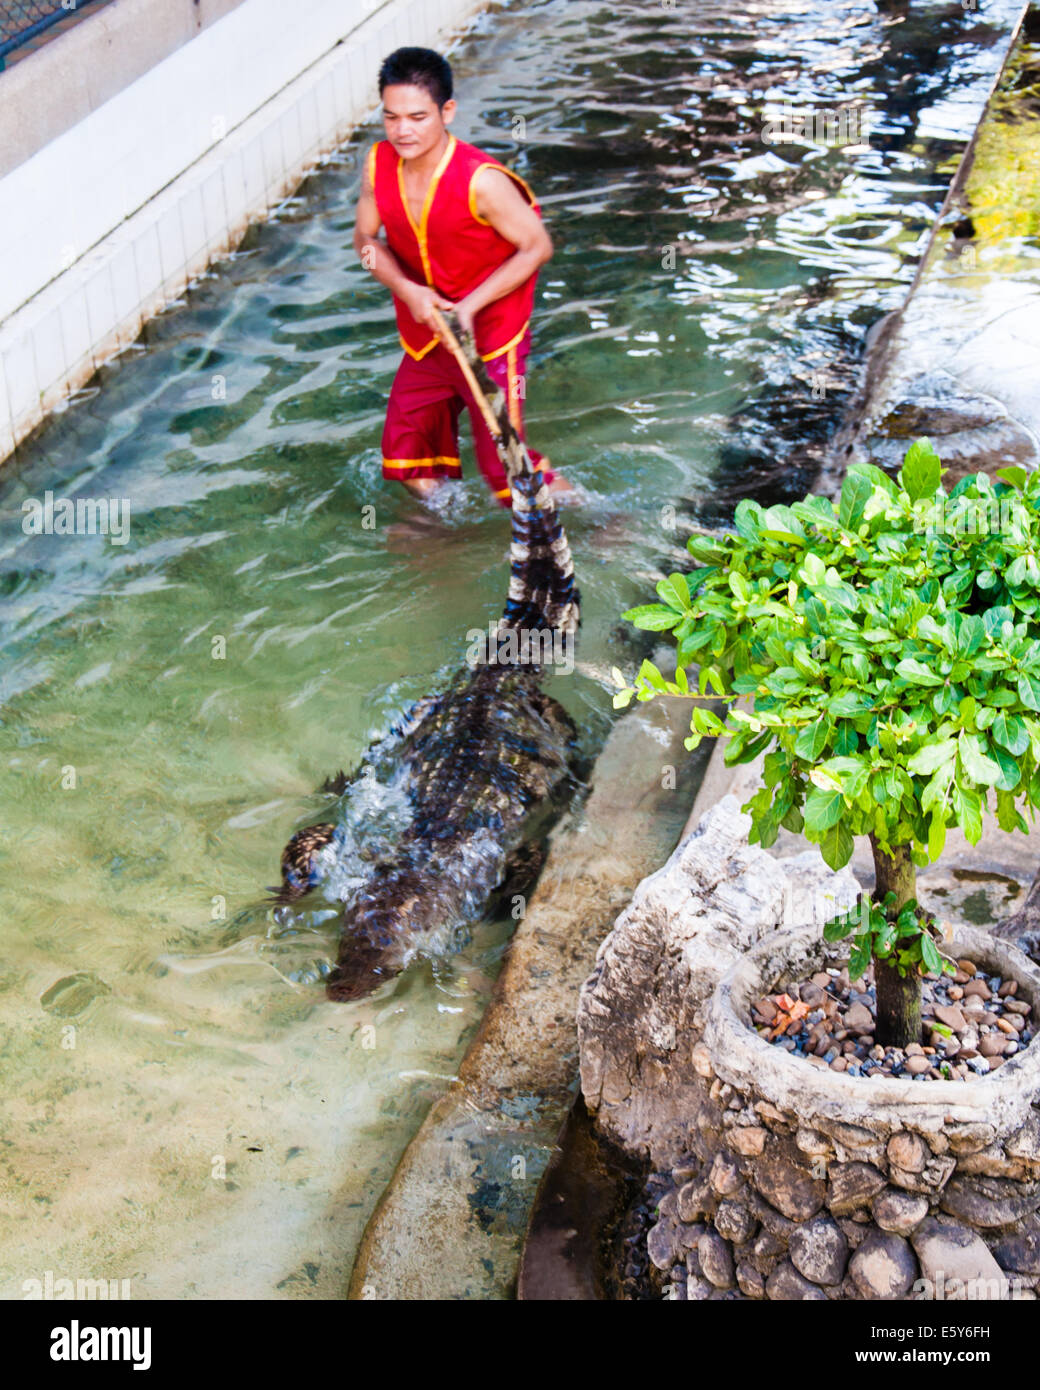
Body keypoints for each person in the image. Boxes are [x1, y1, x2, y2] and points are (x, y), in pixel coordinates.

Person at [354, 47, 571, 507]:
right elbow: (365, 243)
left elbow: (538, 247)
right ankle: (450, 535)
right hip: (428, 333)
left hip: (490, 337)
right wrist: (408, 289)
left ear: (446, 111)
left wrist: (469, 307)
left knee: (506, 471)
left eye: (417, 116)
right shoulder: (378, 165)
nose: (402, 130)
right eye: (391, 117)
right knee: (405, 452)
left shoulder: (481, 180)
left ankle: (599, 519)